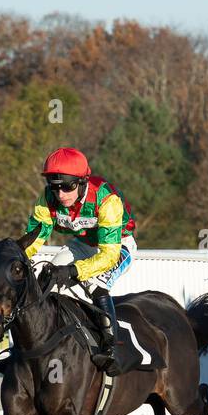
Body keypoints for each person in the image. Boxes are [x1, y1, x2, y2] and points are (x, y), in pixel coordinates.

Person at [25, 147, 139, 375]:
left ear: (83, 181)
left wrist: (73, 271)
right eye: (54, 186)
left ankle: (112, 348)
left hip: (117, 247)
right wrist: (16, 259)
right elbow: (34, 239)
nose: (60, 194)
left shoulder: (107, 200)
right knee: (45, 281)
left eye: (67, 186)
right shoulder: (46, 199)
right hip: (82, 245)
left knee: (95, 284)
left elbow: (108, 255)